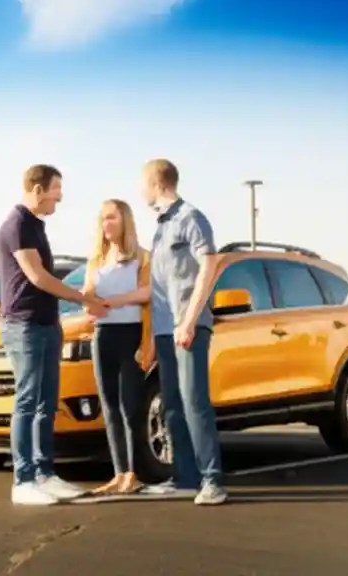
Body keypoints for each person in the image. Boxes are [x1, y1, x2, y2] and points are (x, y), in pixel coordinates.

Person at [0, 164, 108, 506]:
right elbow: (37, 276)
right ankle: (24, 479)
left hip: (47, 323)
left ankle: (45, 474)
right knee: (27, 401)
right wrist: (81, 298)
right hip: (24, 325)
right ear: (37, 188)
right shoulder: (17, 225)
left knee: (47, 402)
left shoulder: (36, 226)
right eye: (56, 188)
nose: (60, 195)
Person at [140, 159, 226, 506]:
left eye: (142, 184)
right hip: (163, 328)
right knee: (172, 405)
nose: (140, 191)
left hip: (187, 325)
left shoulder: (190, 217)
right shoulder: (160, 227)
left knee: (194, 402)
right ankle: (185, 477)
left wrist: (189, 320)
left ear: (156, 184)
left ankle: (212, 481)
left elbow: (210, 263)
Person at [82, 199, 151, 496]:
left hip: (131, 333)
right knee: (108, 405)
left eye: (112, 218)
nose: (106, 224)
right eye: (103, 219)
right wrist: (88, 304)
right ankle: (118, 472)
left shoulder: (141, 257)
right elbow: (88, 293)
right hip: (103, 335)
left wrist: (116, 301)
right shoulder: (96, 260)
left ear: (124, 221)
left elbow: (148, 292)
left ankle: (134, 473)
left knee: (130, 406)